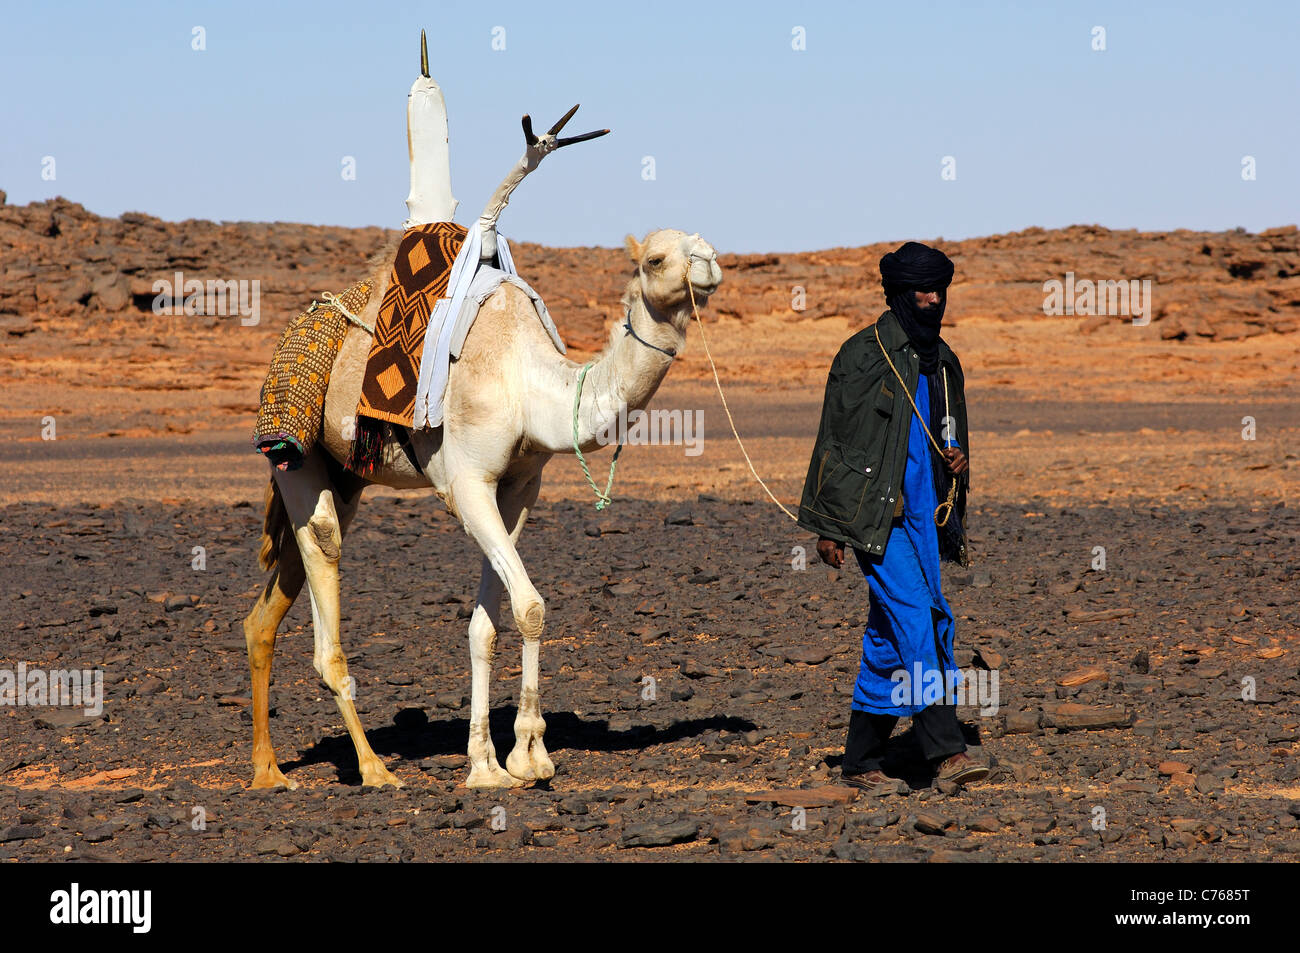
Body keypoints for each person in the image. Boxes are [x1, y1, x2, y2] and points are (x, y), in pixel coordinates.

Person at [796, 241, 988, 794]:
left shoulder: (944, 361)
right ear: (900, 294)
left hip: (927, 513)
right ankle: (946, 751)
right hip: (876, 517)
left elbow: (947, 432)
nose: (933, 300)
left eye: (940, 291)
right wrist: (828, 527)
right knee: (921, 619)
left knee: (887, 638)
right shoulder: (862, 355)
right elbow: (834, 440)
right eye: (923, 291)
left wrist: (955, 460)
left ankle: (860, 760)